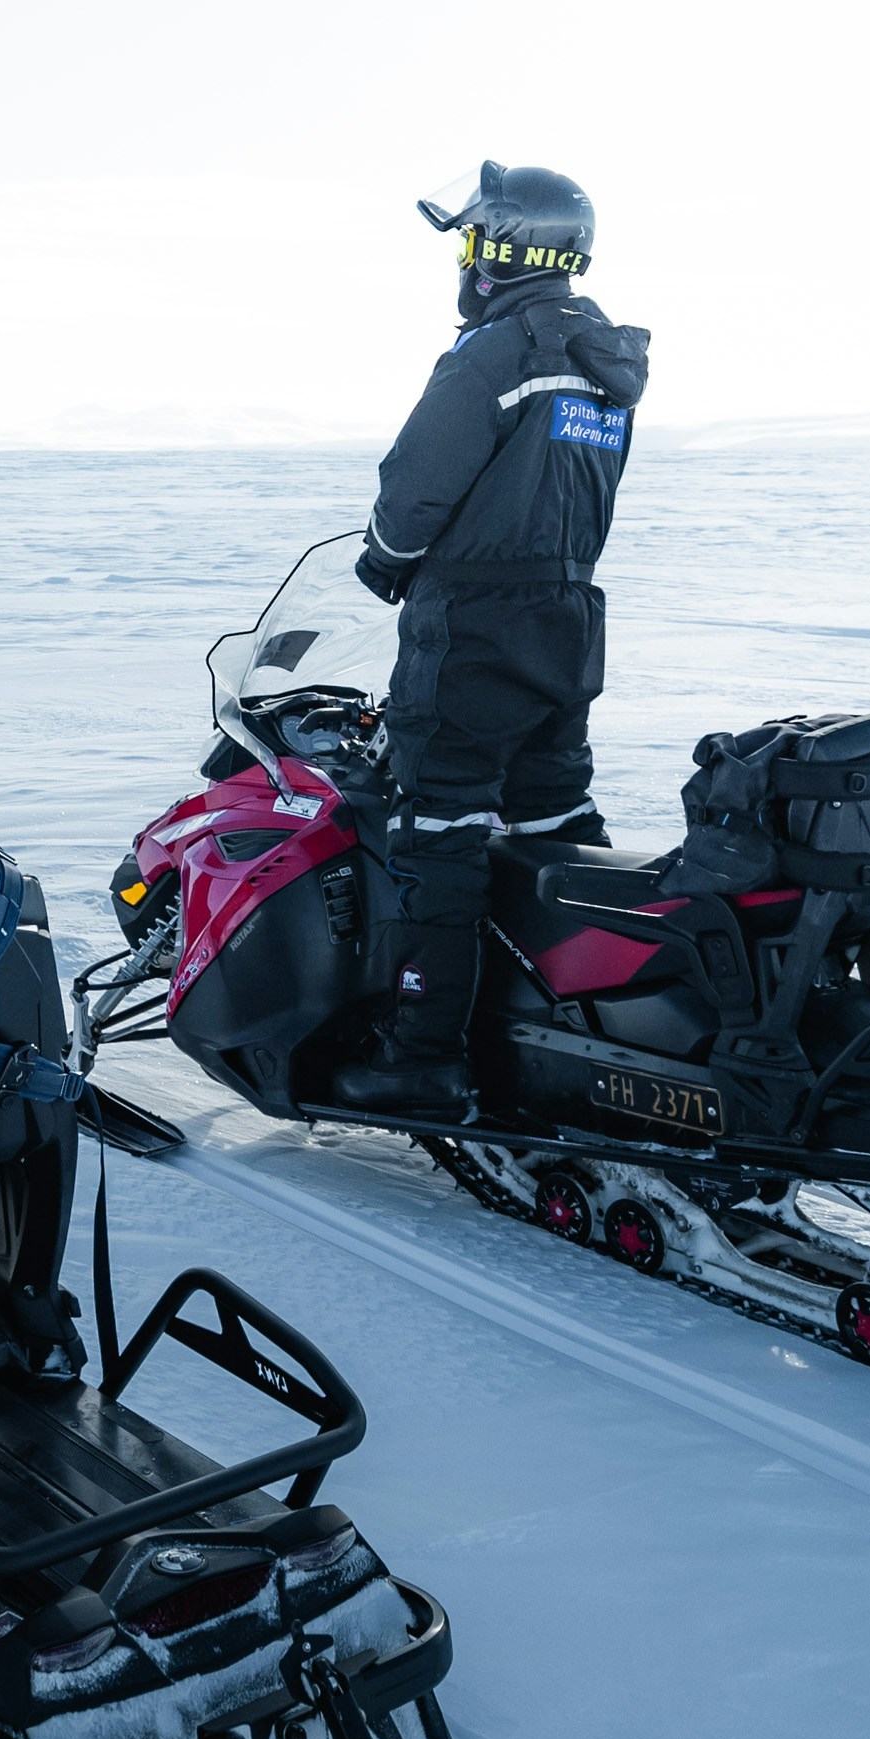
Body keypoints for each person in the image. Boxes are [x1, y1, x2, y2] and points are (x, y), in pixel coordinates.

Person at [329, 162, 649, 1116]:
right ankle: (595, 1025)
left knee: (440, 830)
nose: (464, 264)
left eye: (472, 245)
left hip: (471, 625)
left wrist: (385, 562)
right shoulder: (605, 362)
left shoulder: (491, 357)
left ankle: (423, 1055)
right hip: (568, 616)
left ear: (499, 256)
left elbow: (417, 486)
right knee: (555, 816)